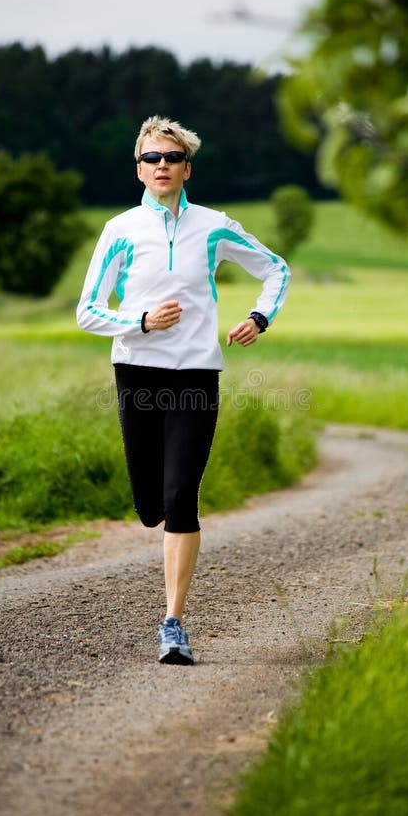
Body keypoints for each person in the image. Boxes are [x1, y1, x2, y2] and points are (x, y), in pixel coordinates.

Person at [76, 115, 290, 665]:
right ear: (139, 169)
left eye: (172, 158)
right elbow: (88, 311)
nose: (162, 166)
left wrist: (260, 317)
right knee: (150, 504)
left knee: (180, 499)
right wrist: (142, 322)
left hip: (196, 375)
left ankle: (173, 623)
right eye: (152, 158)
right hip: (137, 373)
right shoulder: (120, 230)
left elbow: (277, 270)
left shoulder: (214, 226)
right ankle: (156, 517)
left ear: (187, 169)